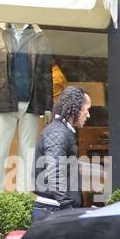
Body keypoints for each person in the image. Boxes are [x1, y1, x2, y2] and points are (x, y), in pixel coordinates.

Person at [31, 86, 91, 222]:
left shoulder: (60, 130)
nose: (88, 115)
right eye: (87, 110)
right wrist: (68, 210)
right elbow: (54, 174)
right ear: (76, 108)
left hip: (53, 210)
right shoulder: (58, 132)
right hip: (54, 212)